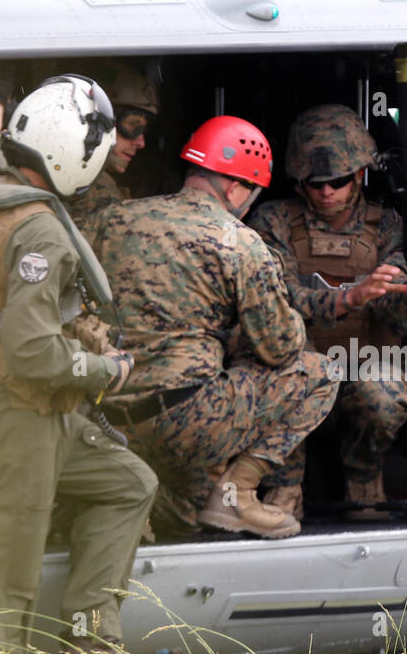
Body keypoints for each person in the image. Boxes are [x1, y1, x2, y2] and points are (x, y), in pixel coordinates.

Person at [0, 72, 161, 654]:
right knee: (14, 548)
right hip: (20, 409)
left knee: (128, 483)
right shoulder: (40, 229)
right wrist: (106, 372)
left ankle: (91, 639)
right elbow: (35, 352)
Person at [97, 115, 339, 540]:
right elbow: (281, 349)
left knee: (184, 522)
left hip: (105, 419)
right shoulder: (239, 240)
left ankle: (153, 504)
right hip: (187, 421)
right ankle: (237, 494)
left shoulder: (112, 220)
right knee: (320, 373)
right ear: (235, 188)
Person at [246, 104, 407, 520]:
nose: (327, 193)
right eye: (315, 182)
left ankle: (364, 479)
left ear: (360, 173)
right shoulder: (273, 222)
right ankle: (285, 488)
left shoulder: (390, 227)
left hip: (357, 371)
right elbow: (275, 301)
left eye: (338, 181)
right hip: (291, 373)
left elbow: (399, 317)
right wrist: (349, 298)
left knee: (387, 393)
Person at [67, 64, 162, 253]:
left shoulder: (94, 181)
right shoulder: (95, 190)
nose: (140, 142)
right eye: (133, 126)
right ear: (98, 123)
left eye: (144, 130)